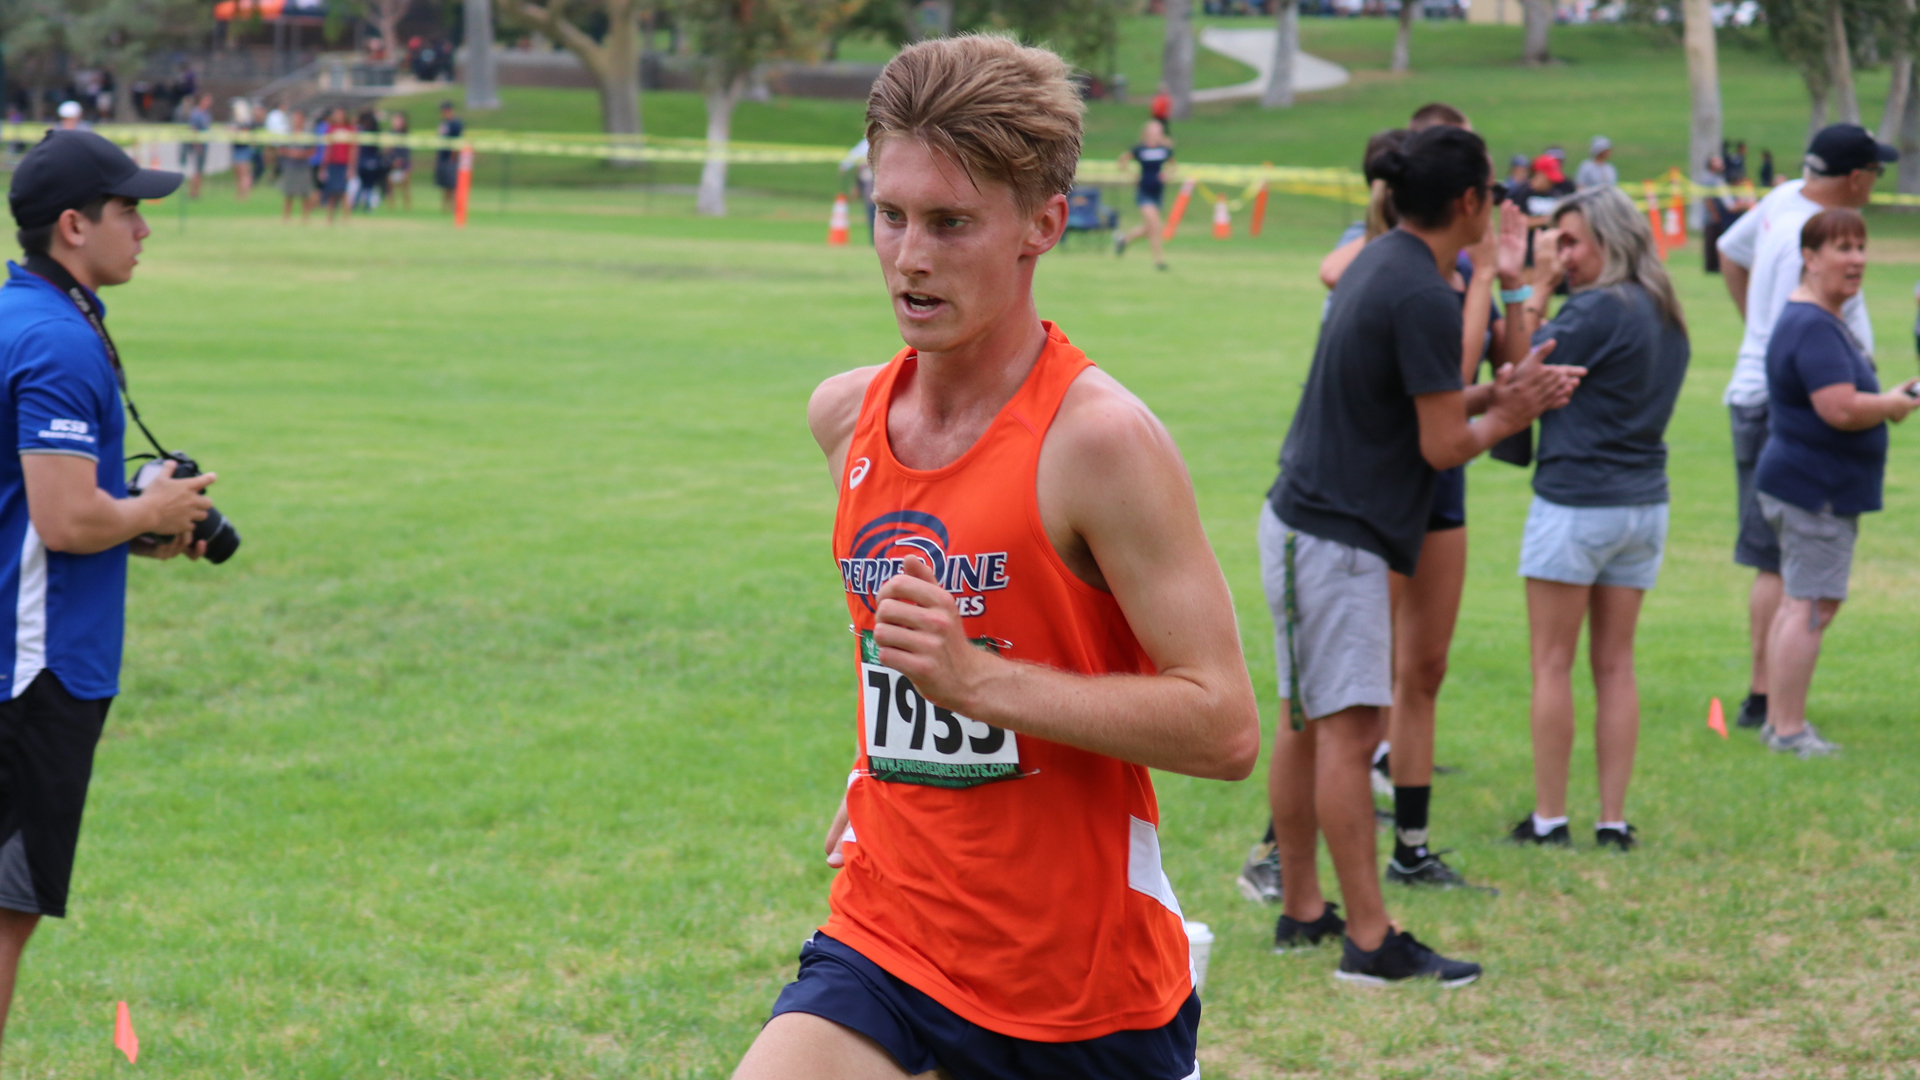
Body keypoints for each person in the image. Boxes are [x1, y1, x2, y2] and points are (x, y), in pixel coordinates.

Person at [732, 37, 1260, 1079]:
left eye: (950, 223)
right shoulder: (846, 418)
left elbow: (1224, 725)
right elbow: (902, 666)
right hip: (886, 941)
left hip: (1079, 995)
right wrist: (876, 757)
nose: (909, 255)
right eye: (891, 214)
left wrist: (983, 683)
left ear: (1042, 226)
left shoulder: (1098, 442)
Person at [1261, 124, 1580, 985]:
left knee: (1304, 722)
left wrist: (1496, 389)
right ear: (1471, 202)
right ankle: (1370, 940)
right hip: (1337, 537)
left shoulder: (1387, 260)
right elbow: (1442, 444)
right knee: (1348, 730)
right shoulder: (1423, 293)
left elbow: (1423, 401)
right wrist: (1511, 416)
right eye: (1494, 194)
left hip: (1308, 524)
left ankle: (1302, 911)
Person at [0, 129, 216, 1054]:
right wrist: (147, 508)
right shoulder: (56, 341)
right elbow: (63, 523)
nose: (145, 228)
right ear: (75, 226)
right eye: (130, 211)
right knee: (5, 914)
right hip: (35, 671)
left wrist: (142, 519)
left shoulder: (21, 313)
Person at [1493, 187, 1690, 851]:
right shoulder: (1666, 309)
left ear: (1611, 240)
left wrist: (1533, 286)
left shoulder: (1598, 308)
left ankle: (1549, 820)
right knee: (1616, 666)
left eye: (1574, 242)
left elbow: (1521, 371)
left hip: (1577, 503)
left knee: (1552, 663)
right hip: (1644, 504)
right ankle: (1612, 819)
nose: (1565, 254)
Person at [1713, 124, 1892, 731]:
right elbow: (1837, 404)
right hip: (1786, 404)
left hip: (1764, 388)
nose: (1856, 260)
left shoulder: (1782, 200)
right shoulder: (1812, 238)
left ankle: (1767, 698)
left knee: (1776, 562)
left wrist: (1756, 333)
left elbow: (1728, 252)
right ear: (1857, 178)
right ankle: (1773, 706)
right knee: (1788, 567)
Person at [1754, 209, 1918, 757]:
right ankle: (1790, 730)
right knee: (1811, 606)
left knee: (1799, 602)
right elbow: (1840, 409)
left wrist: (1890, 396)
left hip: (1802, 482)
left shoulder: (1815, 317)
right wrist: (1892, 405)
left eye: (1861, 247)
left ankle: (1778, 720)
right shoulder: (1815, 325)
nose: (1857, 260)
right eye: (1843, 248)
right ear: (1809, 256)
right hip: (1813, 490)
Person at [1114, 119, 1173, 270]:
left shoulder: (1164, 150)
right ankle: (1159, 261)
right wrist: (1132, 175)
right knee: (1155, 227)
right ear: (1147, 133)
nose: (1156, 135)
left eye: (1159, 132)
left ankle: (1124, 240)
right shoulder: (1140, 149)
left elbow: (1173, 166)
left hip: (1158, 193)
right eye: (1154, 132)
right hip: (1144, 192)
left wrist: (1167, 174)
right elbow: (1122, 162)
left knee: (1149, 228)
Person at [277, 110, 317, 223]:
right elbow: (281, 149)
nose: (296, 121)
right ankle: (286, 218)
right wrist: (290, 153)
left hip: (303, 166)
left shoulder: (307, 134)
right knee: (289, 193)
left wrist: (301, 154)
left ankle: (305, 218)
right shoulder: (287, 133)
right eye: (294, 118)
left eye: (298, 118)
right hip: (290, 166)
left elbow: (312, 150)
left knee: (305, 193)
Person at [318, 107, 353, 223]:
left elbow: (353, 150)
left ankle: (346, 219)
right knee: (331, 193)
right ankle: (329, 218)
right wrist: (323, 167)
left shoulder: (350, 129)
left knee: (344, 192)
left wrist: (351, 167)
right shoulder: (331, 129)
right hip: (333, 164)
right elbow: (328, 149)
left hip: (344, 164)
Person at [353, 110, 387, 213]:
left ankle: (360, 204)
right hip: (367, 162)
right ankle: (361, 204)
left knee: (365, 186)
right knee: (367, 186)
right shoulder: (369, 131)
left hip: (367, 161)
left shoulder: (363, 131)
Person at [435, 101, 464, 213]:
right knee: (445, 185)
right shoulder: (443, 123)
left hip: (451, 159)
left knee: (452, 185)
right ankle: (445, 207)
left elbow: (457, 141)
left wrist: (453, 157)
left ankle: (453, 207)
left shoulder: (456, 124)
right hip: (442, 157)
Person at [185, 94, 213, 200]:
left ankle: (197, 193)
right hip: (198, 146)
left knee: (200, 171)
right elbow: (193, 130)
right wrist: (196, 144)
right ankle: (192, 192)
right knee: (196, 171)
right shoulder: (196, 114)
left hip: (204, 146)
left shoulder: (207, 114)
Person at [386, 112, 413, 212]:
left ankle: (407, 207)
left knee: (405, 185)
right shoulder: (389, 133)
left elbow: (407, 152)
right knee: (390, 185)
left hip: (404, 163)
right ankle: (391, 207)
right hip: (391, 163)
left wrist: (403, 162)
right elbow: (387, 151)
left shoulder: (405, 134)